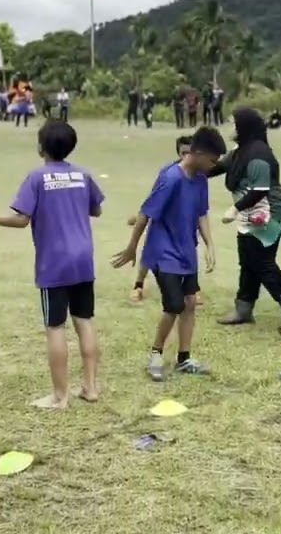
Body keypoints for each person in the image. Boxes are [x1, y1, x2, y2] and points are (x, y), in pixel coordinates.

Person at [0, 121, 104, 409]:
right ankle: (91, 387)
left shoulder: (37, 177)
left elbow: (21, 219)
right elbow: (97, 209)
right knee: (84, 320)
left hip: (54, 263)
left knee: (55, 327)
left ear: (41, 147)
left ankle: (60, 396)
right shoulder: (83, 175)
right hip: (83, 259)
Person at [111, 127, 226, 381]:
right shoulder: (171, 178)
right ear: (198, 153)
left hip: (186, 251)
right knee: (174, 305)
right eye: (212, 160)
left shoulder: (201, 179)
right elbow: (145, 214)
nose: (213, 166)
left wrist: (209, 244)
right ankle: (155, 354)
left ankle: (184, 359)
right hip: (164, 252)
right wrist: (132, 247)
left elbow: (201, 213)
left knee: (190, 303)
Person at [212, 108, 281, 334]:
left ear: (243, 127)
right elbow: (218, 167)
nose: (230, 127)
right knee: (247, 260)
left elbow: (260, 190)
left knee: (263, 263)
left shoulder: (259, 155)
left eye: (233, 123)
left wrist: (234, 208)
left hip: (270, 215)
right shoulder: (240, 151)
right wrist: (190, 167)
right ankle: (243, 308)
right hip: (250, 216)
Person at [128, 136, 205, 307]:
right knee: (149, 251)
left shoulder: (198, 173)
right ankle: (138, 284)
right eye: (183, 152)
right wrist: (140, 216)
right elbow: (153, 199)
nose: (187, 155)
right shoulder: (169, 173)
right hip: (164, 222)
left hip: (185, 223)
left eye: (190, 152)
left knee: (189, 250)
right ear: (178, 153)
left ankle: (193, 289)